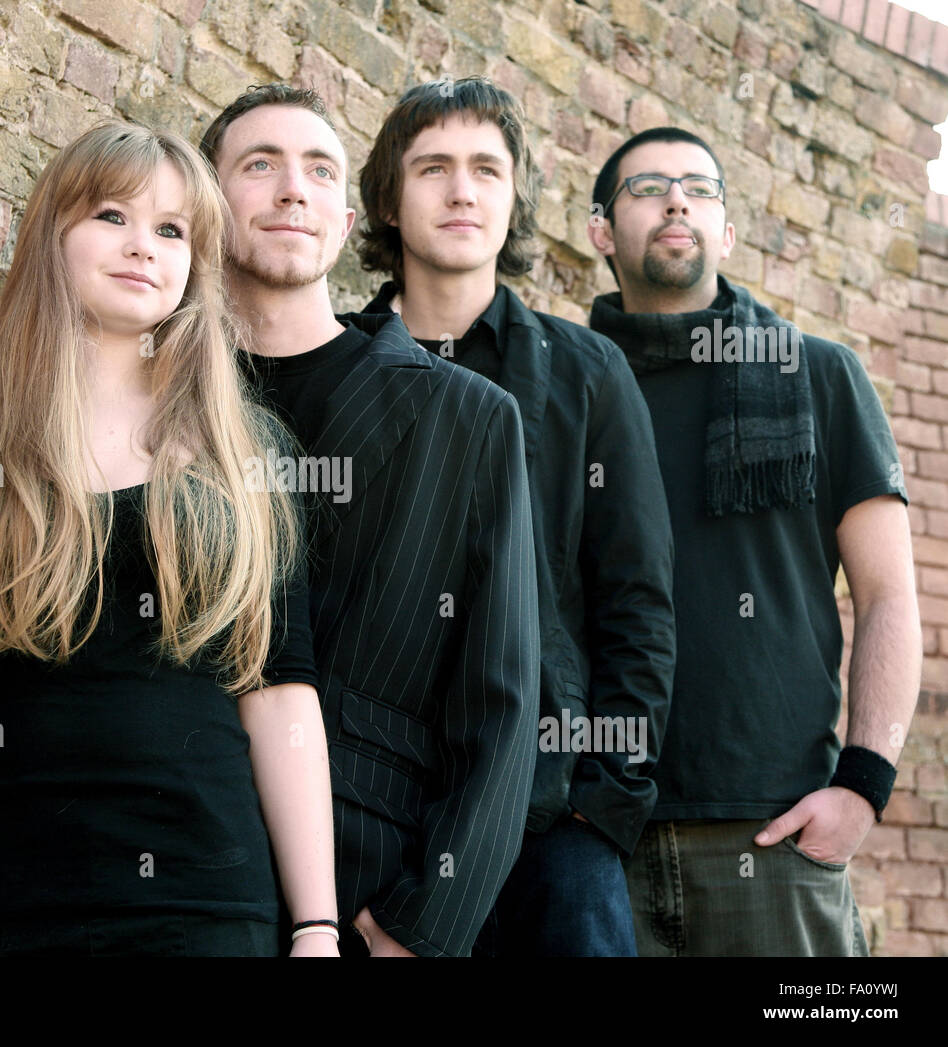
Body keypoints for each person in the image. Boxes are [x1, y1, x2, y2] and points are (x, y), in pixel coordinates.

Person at [0, 121, 339, 957]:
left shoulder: (250, 453)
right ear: (53, 235)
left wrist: (317, 926)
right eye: (113, 216)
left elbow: (280, 694)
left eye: (172, 230)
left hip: (200, 901)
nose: (143, 245)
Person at [200, 85, 540, 957]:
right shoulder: (154, 397)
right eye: (260, 165)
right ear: (205, 204)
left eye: (319, 170)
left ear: (346, 221)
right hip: (169, 859)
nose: (293, 189)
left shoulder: (469, 417)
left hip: (365, 887)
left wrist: (424, 926)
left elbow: (501, 702)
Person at [356, 77, 676, 957]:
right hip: (377, 813)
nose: (462, 190)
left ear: (513, 198)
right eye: (433, 168)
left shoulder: (588, 372)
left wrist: (602, 804)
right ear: (387, 200)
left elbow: (637, 602)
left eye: (486, 170)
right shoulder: (341, 361)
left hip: (552, 818)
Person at [585, 126, 922, 956]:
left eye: (700, 189)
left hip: (775, 833)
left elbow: (888, 596)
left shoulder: (820, 375)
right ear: (601, 232)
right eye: (648, 187)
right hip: (595, 832)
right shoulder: (567, 384)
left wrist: (863, 786)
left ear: (727, 232)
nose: (676, 201)